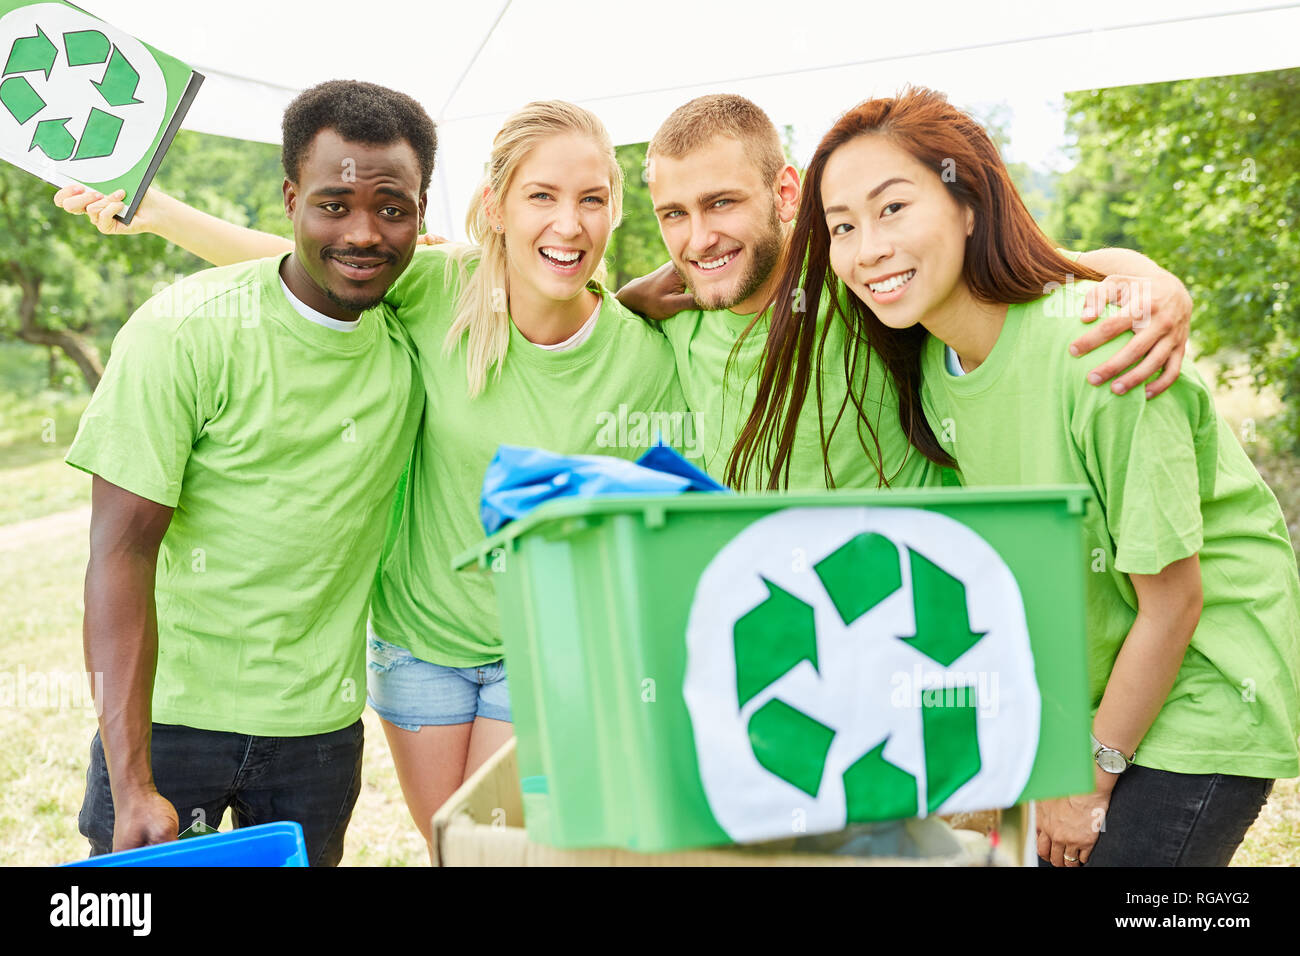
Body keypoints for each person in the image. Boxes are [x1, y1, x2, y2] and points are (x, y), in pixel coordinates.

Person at [59, 101, 692, 854]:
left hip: (520, 651)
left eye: (591, 198)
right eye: (542, 196)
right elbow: (308, 259)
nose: (569, 221)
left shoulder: (643, 355)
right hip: (417, 650)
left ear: (616, 211)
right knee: (453, 848)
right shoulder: (436, 289)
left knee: (493, 853)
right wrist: (163, 214)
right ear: (495, 207)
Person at [734, 86, 1300, 866]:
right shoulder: (935, 362)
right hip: (1109, 692)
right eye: (842, 227)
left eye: (893, 208)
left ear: (969, 204)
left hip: (1202, 687)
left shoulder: (1104, 346)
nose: (867, 248)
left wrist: (1090, 778)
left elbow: (1174, 603)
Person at [64, 80, 435, 865]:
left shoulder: (417, 331)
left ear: (421, 215)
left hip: (320, 735)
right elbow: (118, 552)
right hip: (171, 724)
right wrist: (133, 783)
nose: (364, 232)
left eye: (392, 208)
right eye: (334, 203)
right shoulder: (181, 332)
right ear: (291, 198)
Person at [617, 94, 1194, 490]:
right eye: (674, 213)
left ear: (786, 193)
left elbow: (1048, 265)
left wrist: (1164, 288)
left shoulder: (861, 276)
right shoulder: (669, 317)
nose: (700, 236)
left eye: (722, 202)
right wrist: (627, 299)